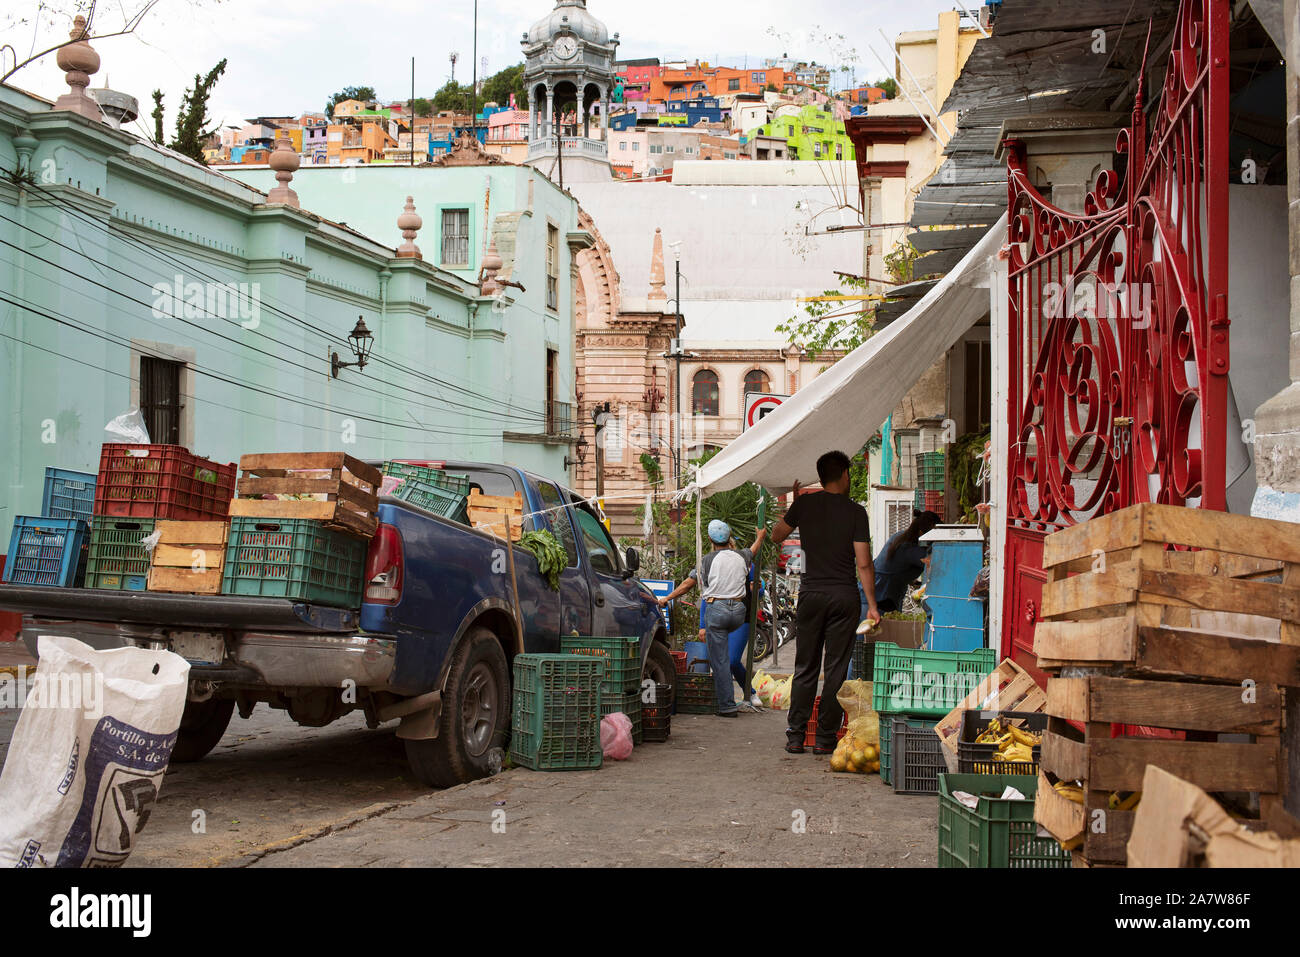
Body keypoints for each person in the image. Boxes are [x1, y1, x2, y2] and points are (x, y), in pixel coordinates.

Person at [770, 451, 879, 754]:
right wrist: (871, 604)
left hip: (811, 595)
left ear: (820, 477)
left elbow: (777, 535)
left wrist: (794, 507)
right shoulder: (856, 513)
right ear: (844, 474)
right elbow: (864, 563)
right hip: (843, 596)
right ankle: (825, 739)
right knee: (835, 669)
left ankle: (795, 735)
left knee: (805, 666)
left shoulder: (805, 504)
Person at [659, 519, 767, 717]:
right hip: (739, 612)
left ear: (710, 539)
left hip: (718, 611)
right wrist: (760, 536)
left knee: (720, 661)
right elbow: (754, 549)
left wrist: (667, 598)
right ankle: (745, 694)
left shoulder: (706, 561)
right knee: (730, 657)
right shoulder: (742, 556)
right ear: (729, 538)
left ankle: (726, 706)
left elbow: (687, 584)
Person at [696, 554, 765, 708]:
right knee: (718, 662)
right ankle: (724, 701)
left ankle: (750, 692)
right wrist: (702, 625)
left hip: (741, 618)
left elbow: (759, 592)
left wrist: (757, 588)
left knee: (732, 660)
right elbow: (707, 596)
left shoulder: (748, 567)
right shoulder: (713, 564)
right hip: (717, 616)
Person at [874, 510, 941, 613]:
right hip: (880, 599)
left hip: (879, 594)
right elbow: (935, 563)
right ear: (921, 532)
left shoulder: (900, 537)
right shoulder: (909, 548)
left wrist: (914, 582)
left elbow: (896, 567)